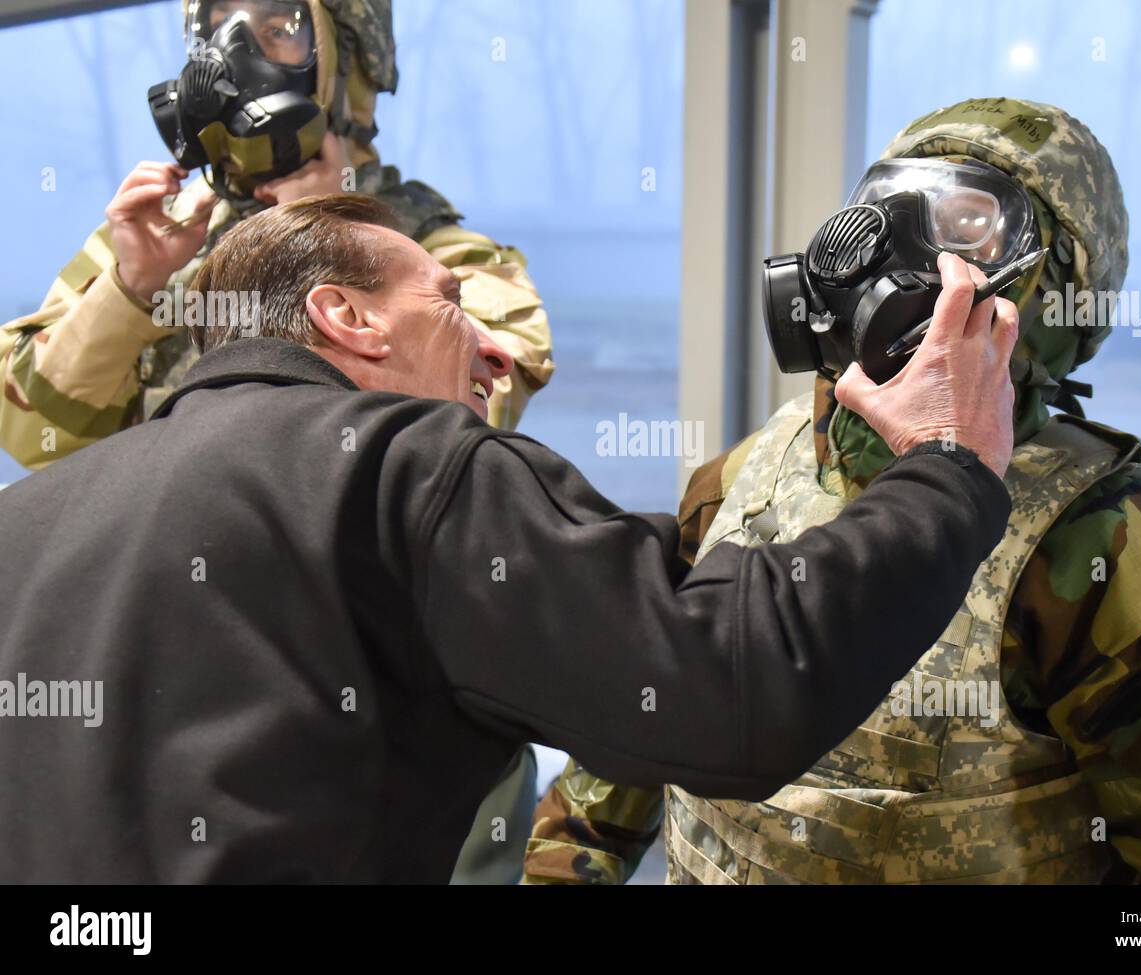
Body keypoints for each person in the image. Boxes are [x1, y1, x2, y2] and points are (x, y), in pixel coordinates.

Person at [0, 193, 1016, 883]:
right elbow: (721, 695)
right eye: (446, 302)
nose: (495, 349)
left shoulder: (30, 519)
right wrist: (945, 470)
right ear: (346, 316)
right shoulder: (401, 462)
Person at [524, 97, 1141, 886]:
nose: (879, 246)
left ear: (1049, 297)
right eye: (886, 206)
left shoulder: (1111, 552)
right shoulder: (740, 479)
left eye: (963, 225)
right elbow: (620, 747)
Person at [0, 0, 553, 884]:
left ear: (350, 58)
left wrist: (332, 244)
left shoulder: (442, 259)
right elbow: (32, 432)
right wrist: (131, 286)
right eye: (218, 27)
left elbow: (462, 432)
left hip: (373, 690)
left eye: (276, 26)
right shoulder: (159, 242)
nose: (236, 52)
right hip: (170, 672)